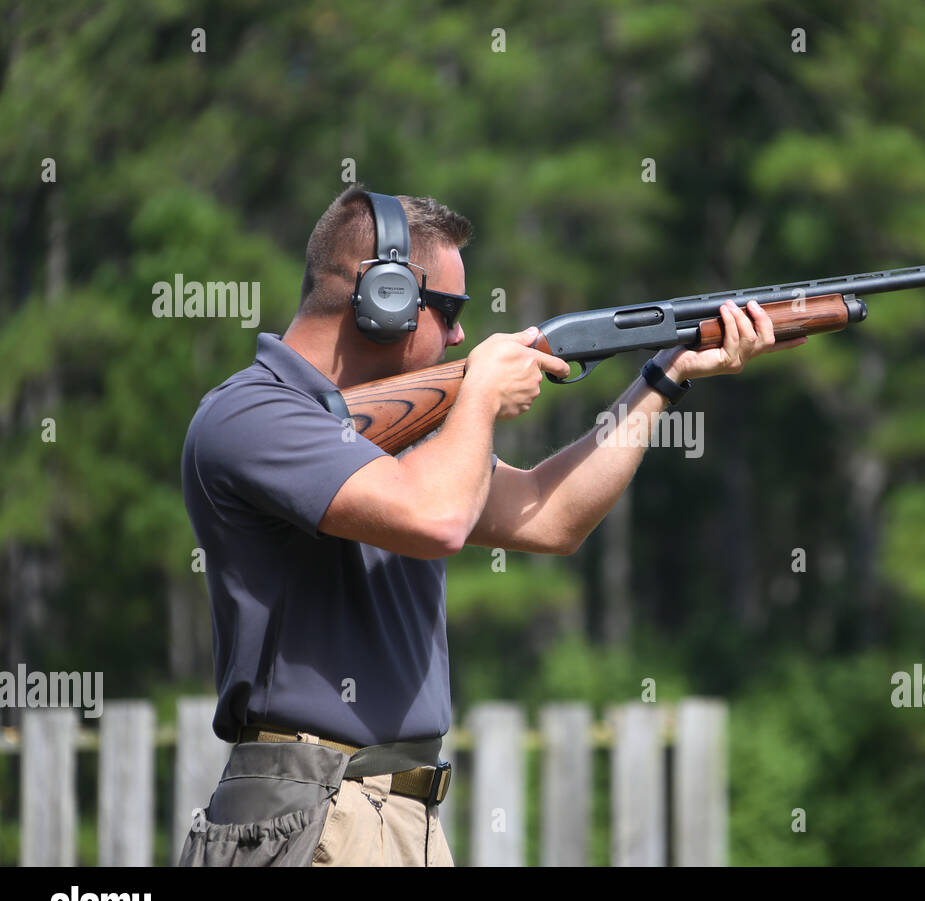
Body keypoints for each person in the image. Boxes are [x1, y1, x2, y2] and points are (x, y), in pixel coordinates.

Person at [177, 185, 805, 866]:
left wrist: (661, 380)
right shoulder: (250, 417)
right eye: (447, 312)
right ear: (383, 298)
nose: (457, 337)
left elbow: (551, 515)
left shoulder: (404, 443)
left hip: (402, 813)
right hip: (313, 812)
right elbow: (438, 520)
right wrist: (477, 396)